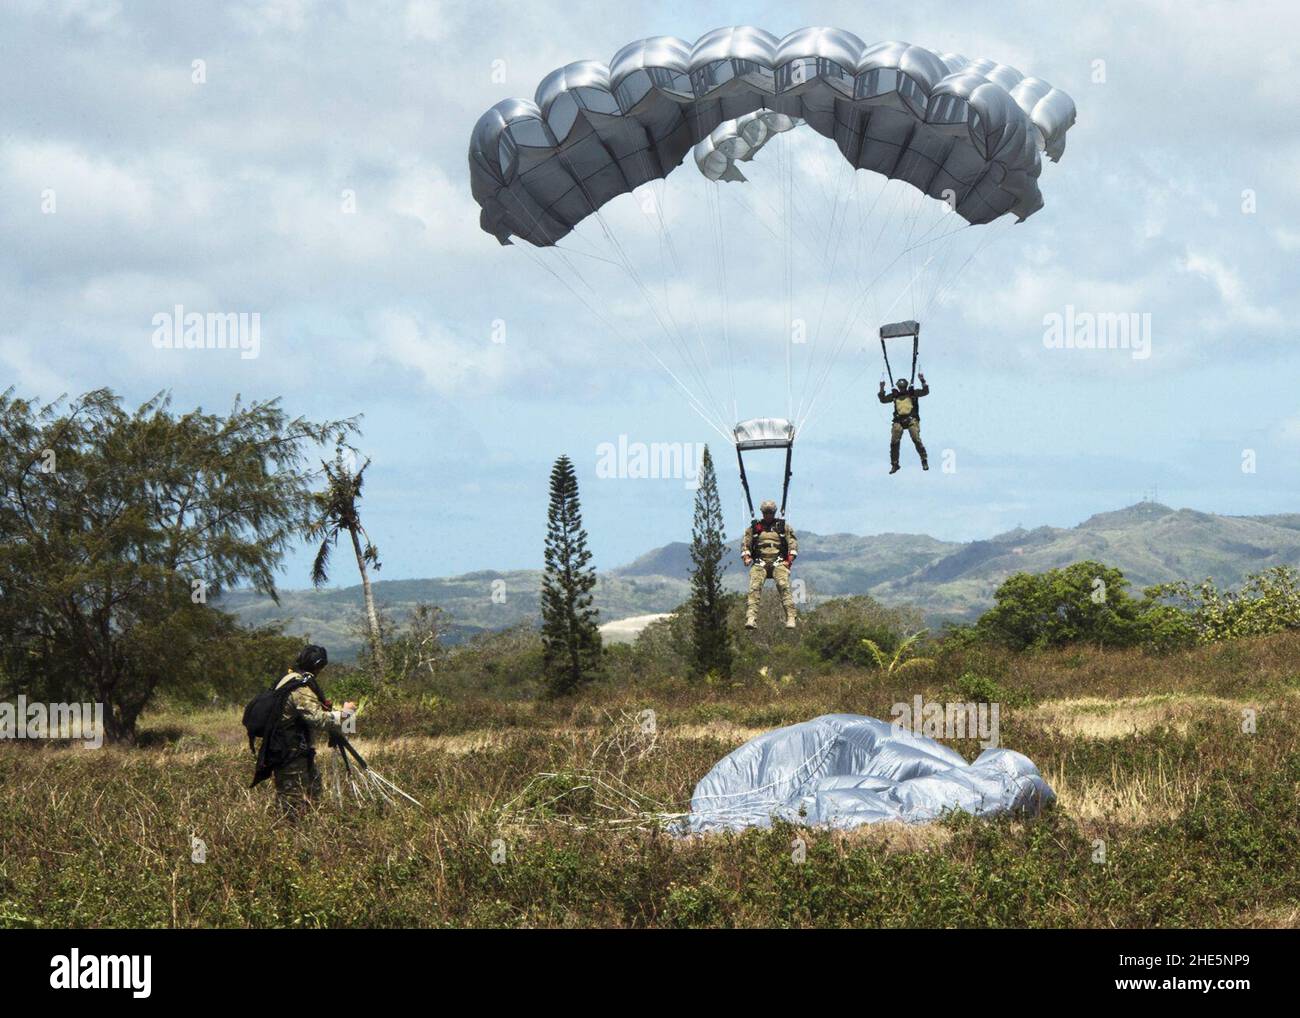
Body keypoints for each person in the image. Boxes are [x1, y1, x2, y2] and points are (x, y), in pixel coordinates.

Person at [271, 645, 355, 818]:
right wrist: (346, 714)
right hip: (289, 753)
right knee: (292, 803)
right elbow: (316, 719)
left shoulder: (291, 679)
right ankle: (291, 836)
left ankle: (311, 830)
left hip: (299, 751)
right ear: (318, 665)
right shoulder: (300, 688)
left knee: (313, 792)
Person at [742, 499, 798, 630]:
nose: (768, 515)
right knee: (754, 587)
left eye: (770, 513)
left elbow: (793, 544)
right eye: (766, 513)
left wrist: (789, 560)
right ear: (762, 513)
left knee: (783, 585)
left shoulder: (783, 527)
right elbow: (746, 543)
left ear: (774, 513)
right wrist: (746, 557)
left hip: (778, 562)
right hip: (759, 562)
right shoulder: (755, 528)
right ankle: (751, 618)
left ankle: (790, 616)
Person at [878, 373, 929, 473]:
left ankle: (924, 459)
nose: (901, 389)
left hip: (911, 419)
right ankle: (895, 464)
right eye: (900, 388)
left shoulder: (912, 393)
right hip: (898, 421)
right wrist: (882, 388)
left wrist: (922, 380)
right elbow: (883, 400)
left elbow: (925, 391)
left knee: (916, 439)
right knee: (894, 442)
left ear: (906, 387)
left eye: (903, 388)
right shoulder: (895, 396)